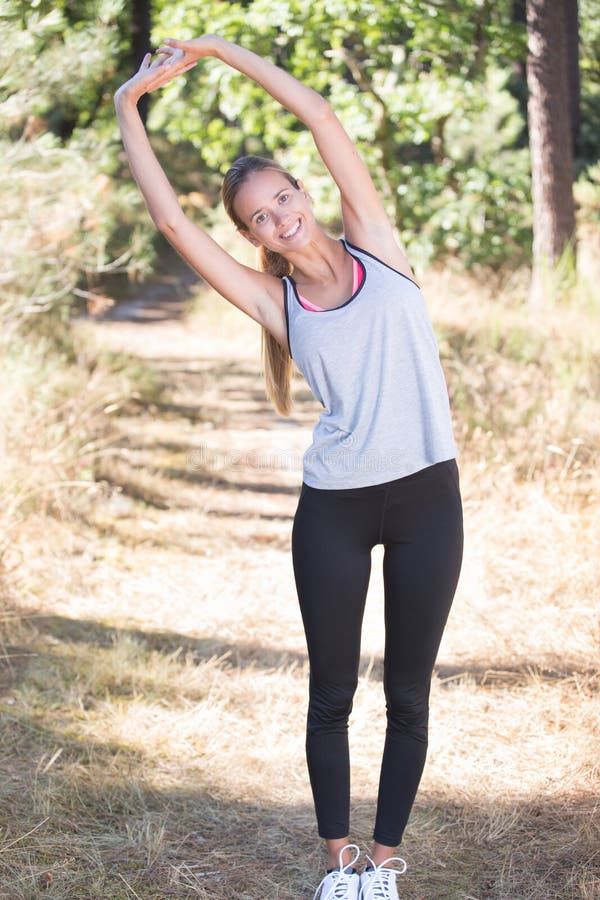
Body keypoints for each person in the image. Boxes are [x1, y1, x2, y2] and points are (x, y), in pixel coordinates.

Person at [114, 34, 464, 900]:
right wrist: (129, 105)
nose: (280, 218)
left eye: (284, 198)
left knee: (410, 695)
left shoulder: (379, 244)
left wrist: (218, 49)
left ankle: (385, 862)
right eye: (259, 218)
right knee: (333, 692)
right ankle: (340, 862)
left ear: (305, 192)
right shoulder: (278, 304)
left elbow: (318, 113)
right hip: (335, 508)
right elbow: (170, 221)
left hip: (428, 498)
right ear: (253, 238)